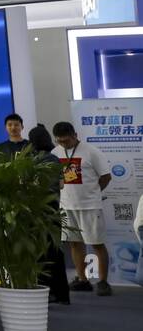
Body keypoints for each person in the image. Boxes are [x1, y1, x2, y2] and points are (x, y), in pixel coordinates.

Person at [51, 121, 113, 295]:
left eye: (67, 141)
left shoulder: (91, 151)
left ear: (75, 135)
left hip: (90, 206)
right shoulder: (55, 153)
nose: (64, 144)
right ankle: (82, 279)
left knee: (96, 243)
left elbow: (106, 176)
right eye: (60, 141)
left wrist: (94, 192)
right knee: (74, 243)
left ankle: (103, 281)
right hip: (66, 206)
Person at [27, 124, 71, 305]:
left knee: (39, 253)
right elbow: (61, 184)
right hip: (53, 209)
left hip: (36, 210)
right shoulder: (54, 159)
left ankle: (44, 291)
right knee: (55, 251)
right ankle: (62, 294)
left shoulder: (30, 160)